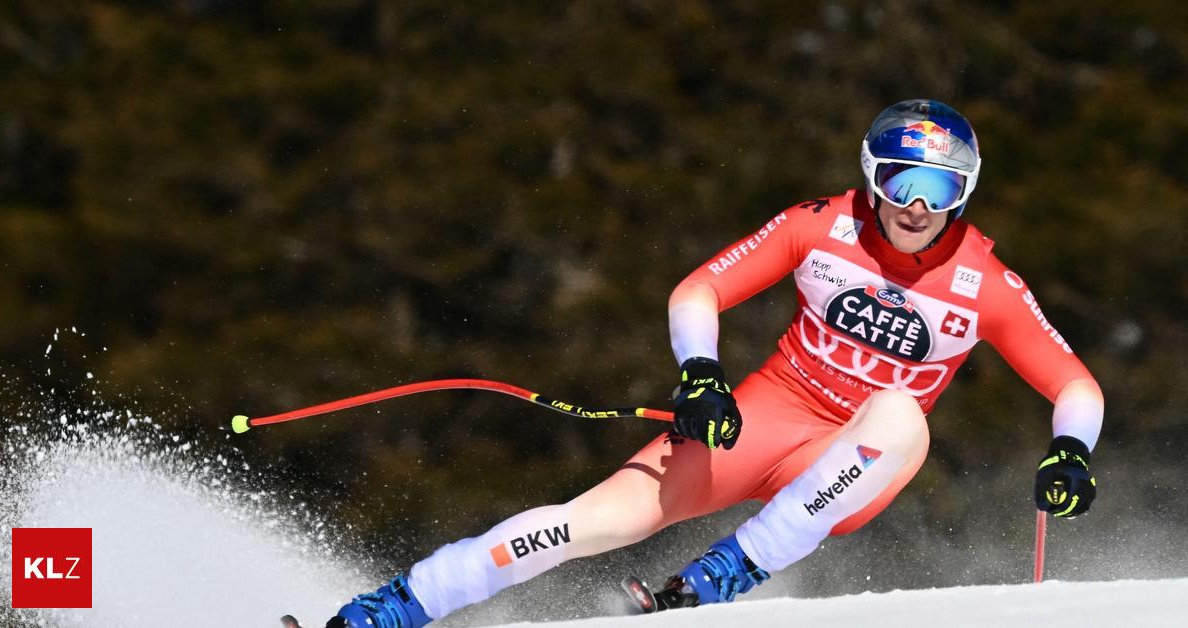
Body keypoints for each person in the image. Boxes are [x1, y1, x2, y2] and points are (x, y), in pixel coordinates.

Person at [327, 99, 1103, 626]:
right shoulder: (821, 226)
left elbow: (1075, 385)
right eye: (901, 181)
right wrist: (701, 374)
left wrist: (1071, 451)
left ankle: (721, 577)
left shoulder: (984, 281)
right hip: (763, 419)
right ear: (872, 178)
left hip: (855, 459)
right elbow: (700, 289)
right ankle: (395, 607)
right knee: (589, 522)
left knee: (900, 411)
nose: (917, 206)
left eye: (941, 188)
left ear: (963, 196)